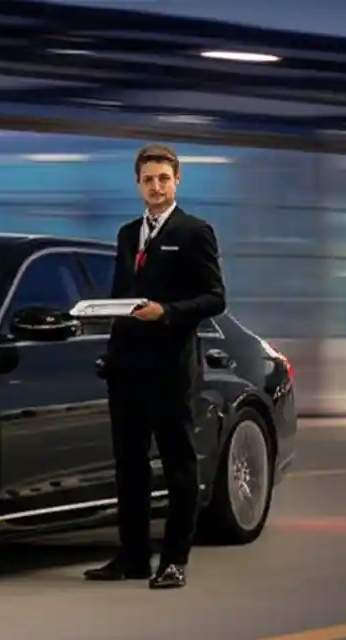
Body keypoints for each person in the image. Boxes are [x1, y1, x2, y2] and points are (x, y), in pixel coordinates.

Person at [84, 143, 226, 589]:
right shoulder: (128, 234)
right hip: (127, 370)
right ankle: (132, 556)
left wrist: (166, 311)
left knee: (178, 463)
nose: (157, 187)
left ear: (177, 180)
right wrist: (110, 349)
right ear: (138, 183)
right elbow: (123, 297)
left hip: (169, 368)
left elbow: (215, 298)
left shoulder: (195, 231)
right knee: (129, 465)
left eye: (164, 178)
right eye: (148, 179)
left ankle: (174, 560)